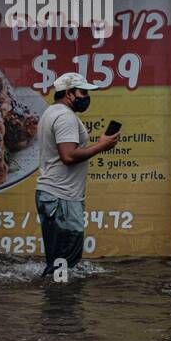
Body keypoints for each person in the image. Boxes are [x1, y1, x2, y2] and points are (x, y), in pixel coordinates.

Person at [35, 72, 120, 275]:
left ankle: (56, 297)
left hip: (55, 196)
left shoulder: (51, 112)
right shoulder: (65, 117)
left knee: (58, 260)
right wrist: (102, 146)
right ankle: (61, 303)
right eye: (83, 92)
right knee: (65, 261)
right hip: (62, 197)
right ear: (68, 93)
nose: (86, 97)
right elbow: (69, 156)